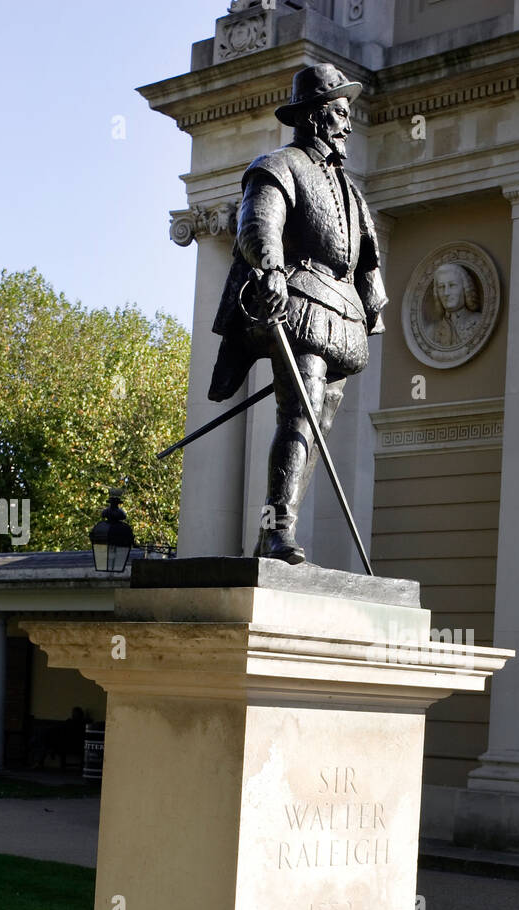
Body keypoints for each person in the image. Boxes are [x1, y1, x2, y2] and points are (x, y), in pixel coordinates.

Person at [209, 64, 387, 563]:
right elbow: (257, 222)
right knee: (299, 411)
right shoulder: (278, 164)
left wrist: (375, 306)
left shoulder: (351, 191)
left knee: (319, 423)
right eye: (338, 113)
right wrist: (269, 268)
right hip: (299, 301)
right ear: (312, 117)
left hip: (343, 314)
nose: (347, 125)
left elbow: (367, 258)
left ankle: (268, 539)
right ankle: (277, 526)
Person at [429, 263, 482, 347]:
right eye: (442, 287)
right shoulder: (432, 331)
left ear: (465, 289)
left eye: (452, 285)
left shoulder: (479, 321)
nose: (446, 293)